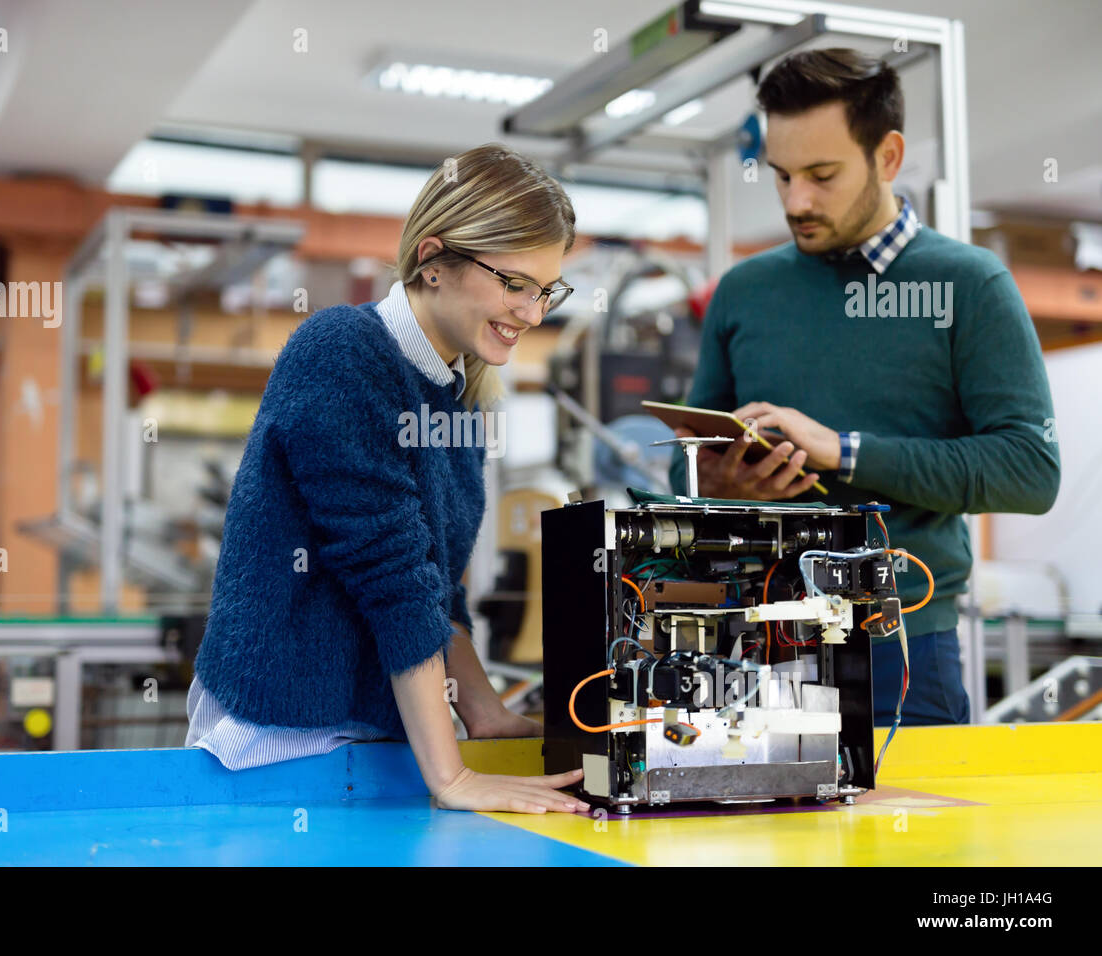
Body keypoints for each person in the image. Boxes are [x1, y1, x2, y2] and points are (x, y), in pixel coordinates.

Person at [189, 144, 590, 813]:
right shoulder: (342, 353)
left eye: (547, 289)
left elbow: (435, 587)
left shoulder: (459, 393)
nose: (534, 312)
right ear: (434, 260)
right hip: (280, 739)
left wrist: (485, 716)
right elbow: (395, 581)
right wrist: (454, 777)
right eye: (515, 283)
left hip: (378, 743)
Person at [668, 49, 1061, 726]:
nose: (797, 202)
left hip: (901, 644)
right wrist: (723, 484)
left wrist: (842, 452)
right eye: (783, 175)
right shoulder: (743, 292)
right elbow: (695, 464)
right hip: (756, 642)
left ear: (888, 156)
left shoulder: (971, 285)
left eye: (822, 176)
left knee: (917, 835)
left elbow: (1029, 471)